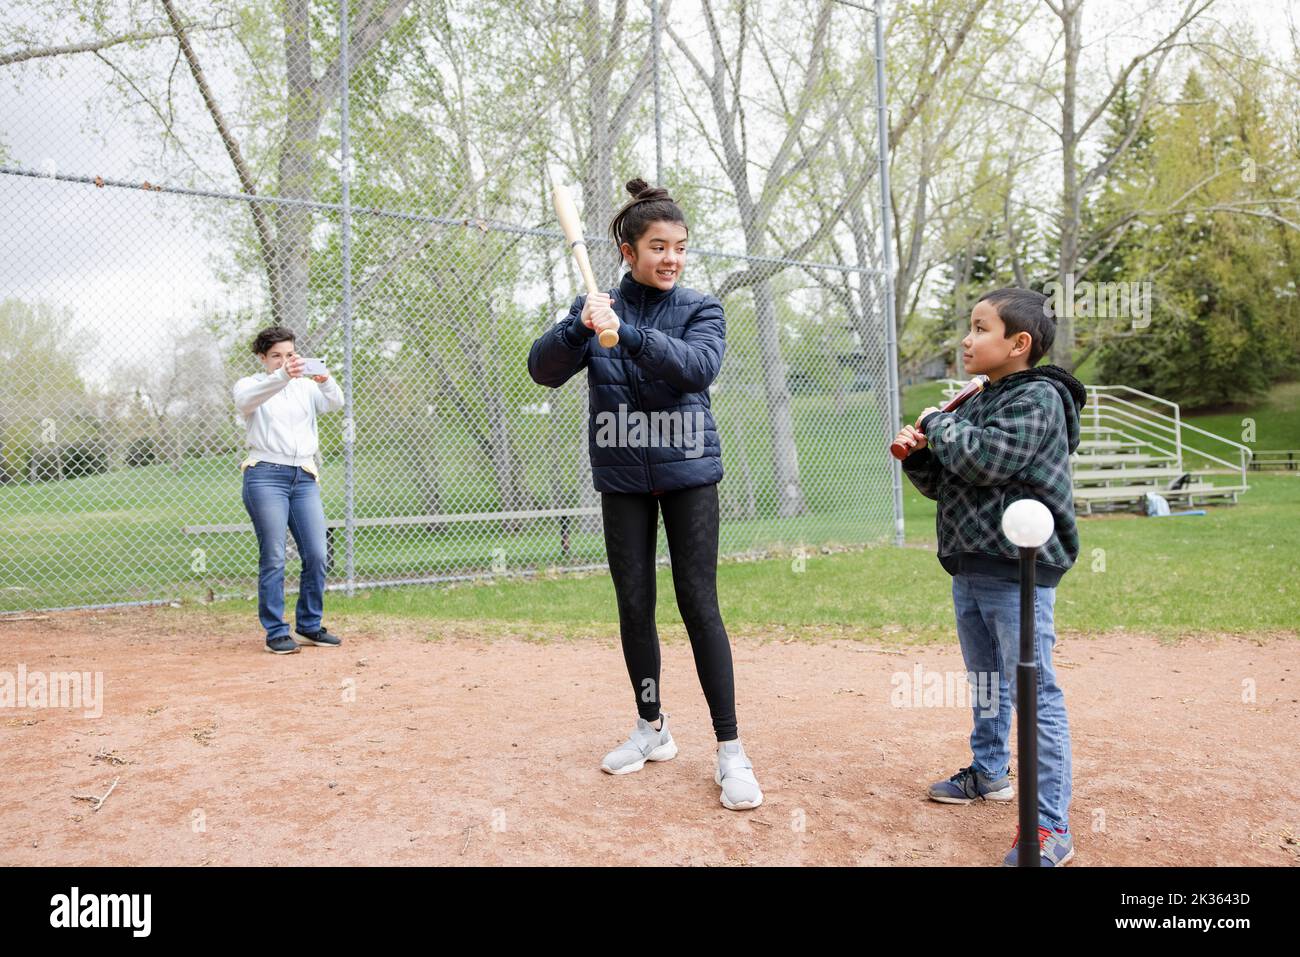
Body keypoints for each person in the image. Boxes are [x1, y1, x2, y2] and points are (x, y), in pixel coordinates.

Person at [527, 177, 762, 810]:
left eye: (680, 247)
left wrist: (627, 335)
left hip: (688, 472)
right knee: (635, 606)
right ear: (628, 251)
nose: (672, 258)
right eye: (658, 246)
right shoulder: (597, 304)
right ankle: (652, 727)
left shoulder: (701, 308)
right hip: (623, 478)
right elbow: (542, 371)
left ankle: (730, 750)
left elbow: (697, 368)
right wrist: (580, 328)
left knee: (698, 605)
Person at [893, 287, 1086, 865]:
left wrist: (938, 425)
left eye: (980, 328)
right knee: (985, 681)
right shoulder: (978, 399)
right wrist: (921, 453)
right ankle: (989, 771)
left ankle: (1050, 826)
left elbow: (987, 459)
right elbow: (951, 479)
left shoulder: (1040, 398)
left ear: (1018, 344)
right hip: (970, 561)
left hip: (1020, 569)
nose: (967, 339)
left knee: (1034, 690)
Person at [232, 326, 345, 654]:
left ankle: (309, 626)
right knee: (275, 555)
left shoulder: (305, 388)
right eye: (276, 356)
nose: (285, 361)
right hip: (265, 476)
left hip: (304, 477)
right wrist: (282, 375)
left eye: (290, 355)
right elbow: (245, 402)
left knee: (317, 553)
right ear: (262, 358)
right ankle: (276, 631)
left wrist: (325, 380)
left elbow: (335, 403)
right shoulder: (251, 385)